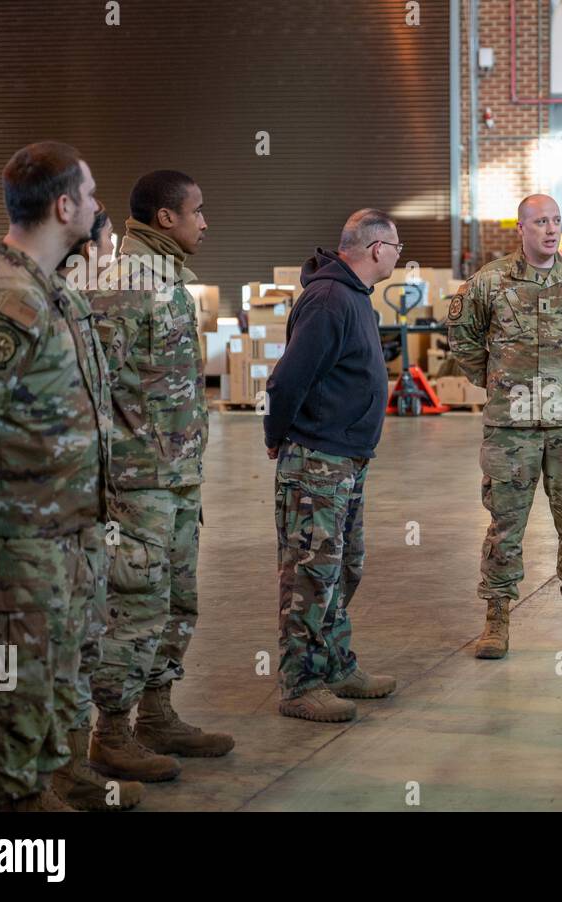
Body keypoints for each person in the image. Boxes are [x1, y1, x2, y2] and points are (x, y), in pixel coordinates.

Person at [0, 141, 106, 810]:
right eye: (88, 195)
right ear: (64, 206)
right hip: (11, 539)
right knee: (8, 699)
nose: (94, 206)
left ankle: (29, 794)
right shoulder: (9, 299)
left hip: (53, 532)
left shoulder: (47, 287)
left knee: (44, 687)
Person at [89, 170, 232, 783]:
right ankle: (110, 732)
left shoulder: (169, 282)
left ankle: (157, 714)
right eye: (198, 211)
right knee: (136, 605)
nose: (206, 221)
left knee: (178, 602)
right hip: (136, 484)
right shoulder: (125, 284)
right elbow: (92, 388)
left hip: (175, 478)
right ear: (167, 218)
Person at [447, 194, 562, 659]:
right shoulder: (489, 281)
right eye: (541, 221)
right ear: (520, 228)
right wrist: (492, 378)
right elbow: (461, 336)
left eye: (556, 221)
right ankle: (496, 621)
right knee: (506, 525)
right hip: (512, 426)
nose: (550, 229)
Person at [263, 209, 400, 722]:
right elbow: (287, 380)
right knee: (310, 575)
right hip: (317, 461)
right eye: (397, 248)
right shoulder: (328, 299)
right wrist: (277, 438)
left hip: (347, 461)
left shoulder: (354, 297)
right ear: (375, 248)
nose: (398, 257)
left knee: (343, 567)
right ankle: (300, 684)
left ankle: (337, 665)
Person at [48, 203, 141, 810]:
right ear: (85, 249)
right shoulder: (36, 305)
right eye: (106, 246)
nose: (112, 257)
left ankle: (72, 764)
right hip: (45, 511)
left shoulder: (74, 303)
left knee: (80, 637)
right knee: (46, 648)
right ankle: (31, 786)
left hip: (84, 502)